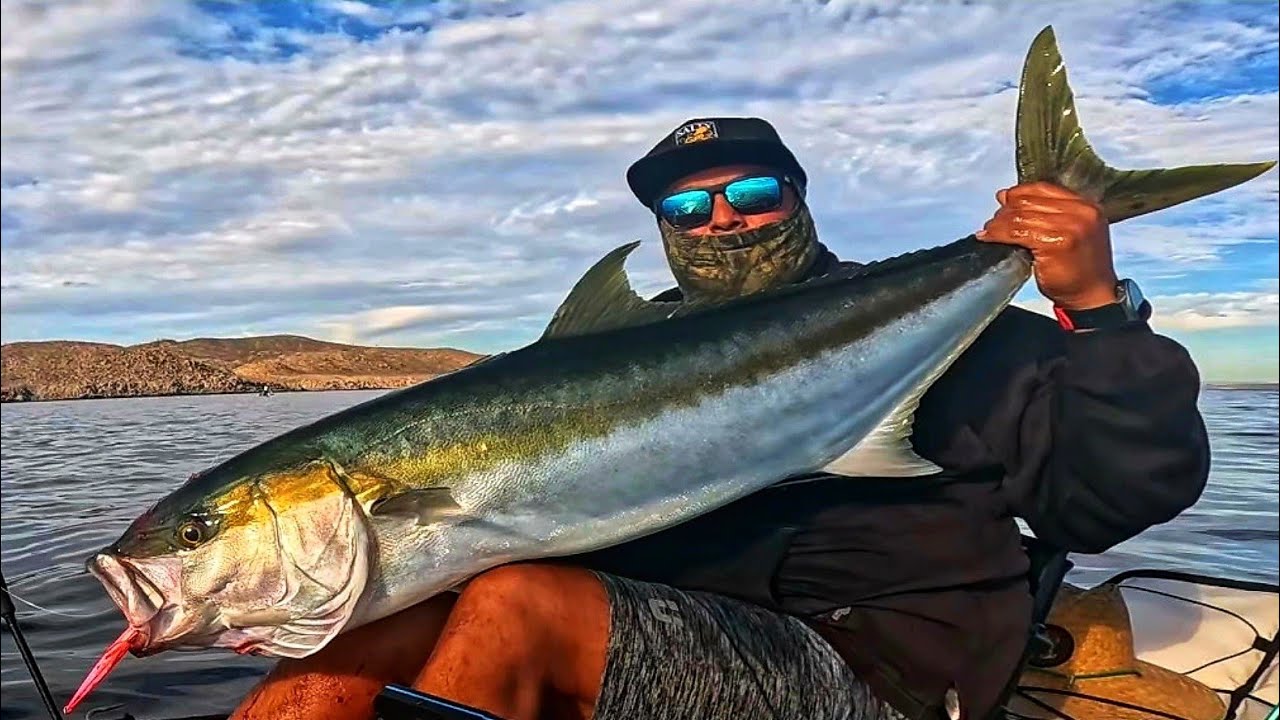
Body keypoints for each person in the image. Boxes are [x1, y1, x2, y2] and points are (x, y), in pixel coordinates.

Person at [229, 117, 1210, 720]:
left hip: (875, 673)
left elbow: (1113, 500)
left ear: (795, 198)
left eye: (747, 191)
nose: (721, 218)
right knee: (346, 643)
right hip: (634, 648)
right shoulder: (601, 361)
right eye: (688, 209)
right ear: (662, 233)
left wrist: (1090, 309)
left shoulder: (938, 328)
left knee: (511, 609)